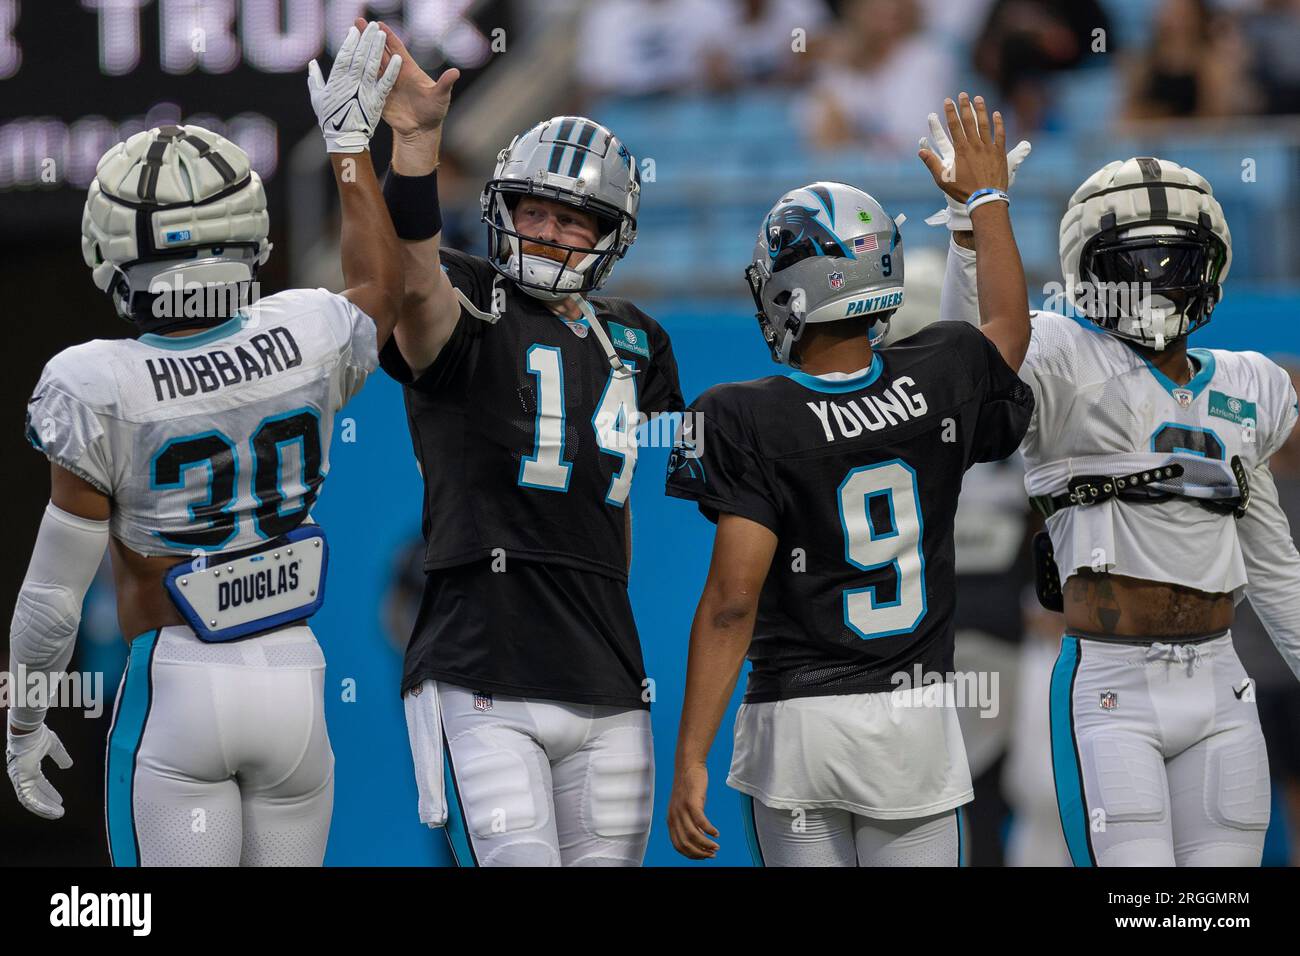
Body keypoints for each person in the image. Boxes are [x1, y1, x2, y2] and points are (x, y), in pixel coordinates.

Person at [5, 21, 403, 865]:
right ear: (249, 232)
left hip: (180, 681)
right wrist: (347, 149)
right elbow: (378, 289)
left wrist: (25, 720)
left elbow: (51, 597)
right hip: (296, 680)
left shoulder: (94, 383)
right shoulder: (306, 334)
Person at [665, 94, 1034, 866]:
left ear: (789, 291)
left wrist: (690, 755)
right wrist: (985, 203)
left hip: (799, 726)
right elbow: (1008, 329)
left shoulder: (742, 415)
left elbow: (733, 604)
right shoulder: (940, 373)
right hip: (916, 720)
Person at [370, 23, 684, 867]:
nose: (546, 231)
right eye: (532, 210)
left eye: (571, 219)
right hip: (483, 669)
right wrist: (415, 147)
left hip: (606, 675)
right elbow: (410, 283)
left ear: (610, 232)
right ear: (501, 211)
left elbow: (608, 507)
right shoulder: (471, 296)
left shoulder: (640, 339)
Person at [940, 151, 1300, 866]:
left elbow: (1274, 565)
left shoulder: (1251, 382)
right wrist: (969, 221)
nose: (1158, 282)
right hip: (1112, 683)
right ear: (1091, 270)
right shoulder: (1068, 360)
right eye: (1136, 262)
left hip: (1223, 681)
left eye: (1176, 260)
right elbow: (973, 362)